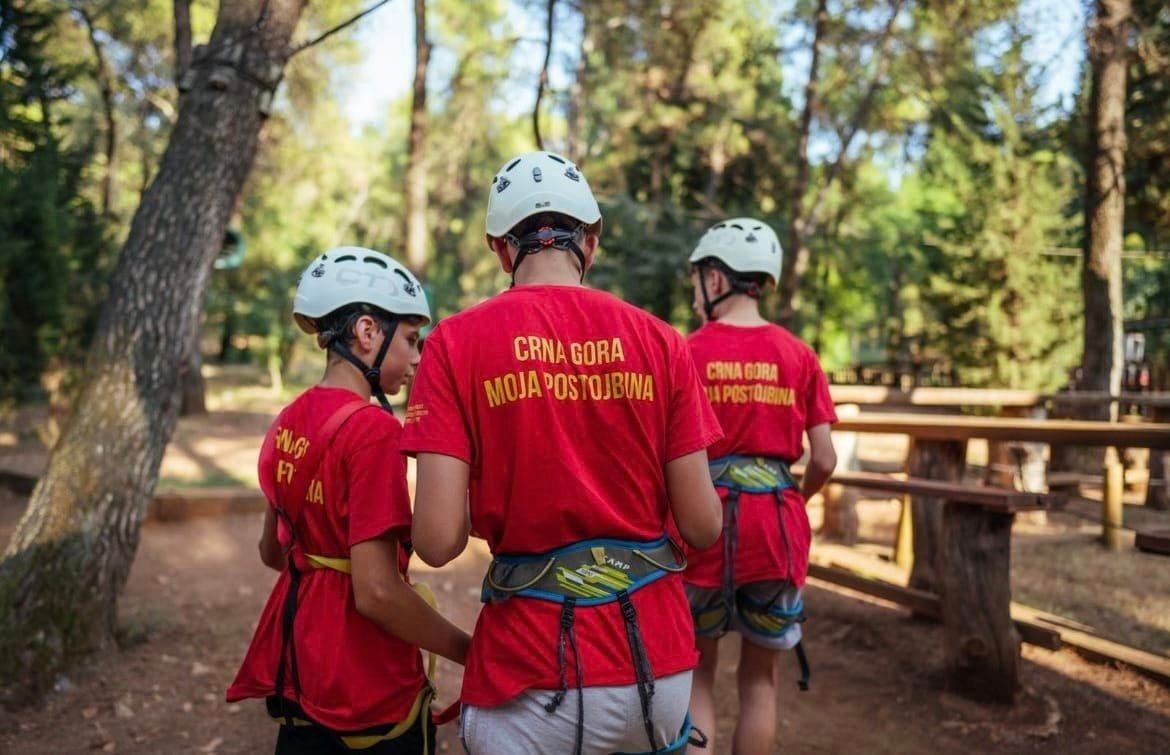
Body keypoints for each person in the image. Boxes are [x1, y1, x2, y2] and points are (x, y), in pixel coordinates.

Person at [398, 151, 724, 755]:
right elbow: (704, 526)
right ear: (591, 241)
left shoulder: (453, 343)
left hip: (530, 674)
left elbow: (437, 541)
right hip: (656, 669)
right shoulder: (661, 341)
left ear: (501, 248)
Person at [227, 247, 471, 754]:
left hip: (299, 669)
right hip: (362, 685)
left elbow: (273, 553)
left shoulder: (288, 418)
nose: (417, 357)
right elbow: (377, 592)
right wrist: (469, 651)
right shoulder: (374, 432)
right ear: (367, 333)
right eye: (410, 339)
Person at [682, 219, 838, 755]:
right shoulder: (799, 355)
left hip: (705, 528)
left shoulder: (688, 352)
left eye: (700, 276)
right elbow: (824, 457)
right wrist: (800, 499)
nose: (696, 290)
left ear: (718, 279)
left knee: (698, 676)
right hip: (775, 530)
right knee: (760, 682)